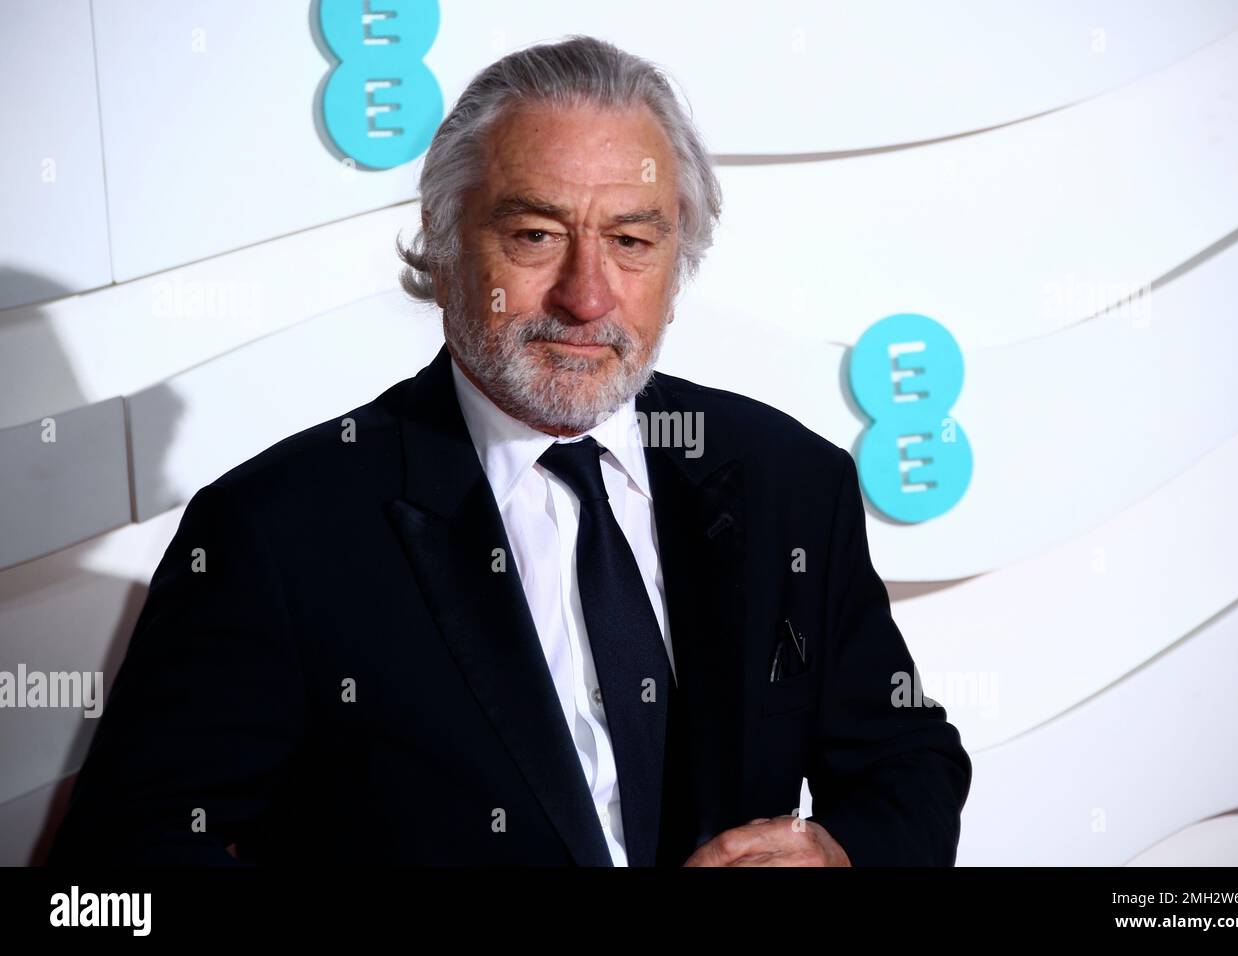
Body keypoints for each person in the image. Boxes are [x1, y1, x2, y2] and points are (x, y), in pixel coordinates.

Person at [48, 34, 971, 867]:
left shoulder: (789, 483)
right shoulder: (275, 533)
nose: (587, 295)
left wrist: (841, 855)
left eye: (631, 240)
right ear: (446, 254)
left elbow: (909, 761)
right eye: (535, 235)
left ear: (676, 267)